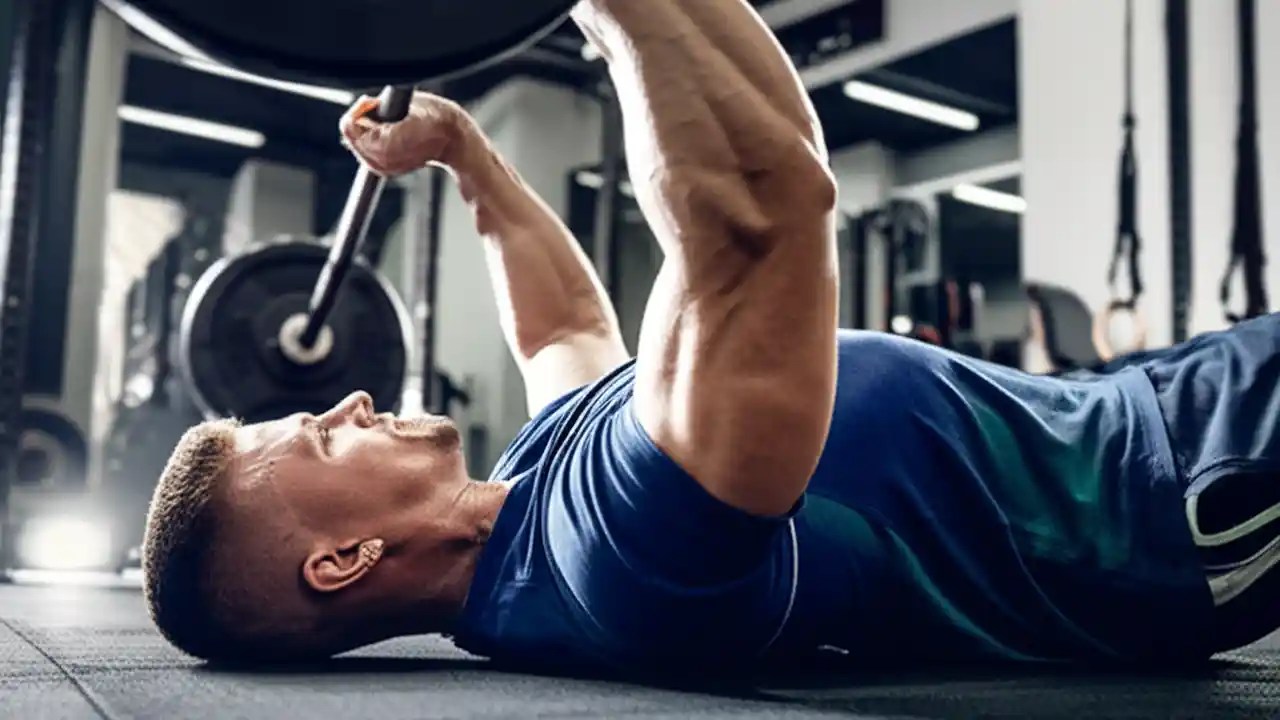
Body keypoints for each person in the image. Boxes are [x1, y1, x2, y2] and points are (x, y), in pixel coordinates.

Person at [143, 0, 1280, 672]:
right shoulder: (619, 559)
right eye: (320, 438)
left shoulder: (535, 497)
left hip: (1144, 420)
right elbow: (760, 207)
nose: (347, 400)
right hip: (1172, 505)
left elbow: (566, 327)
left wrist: (465, 161)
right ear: (341, 563)